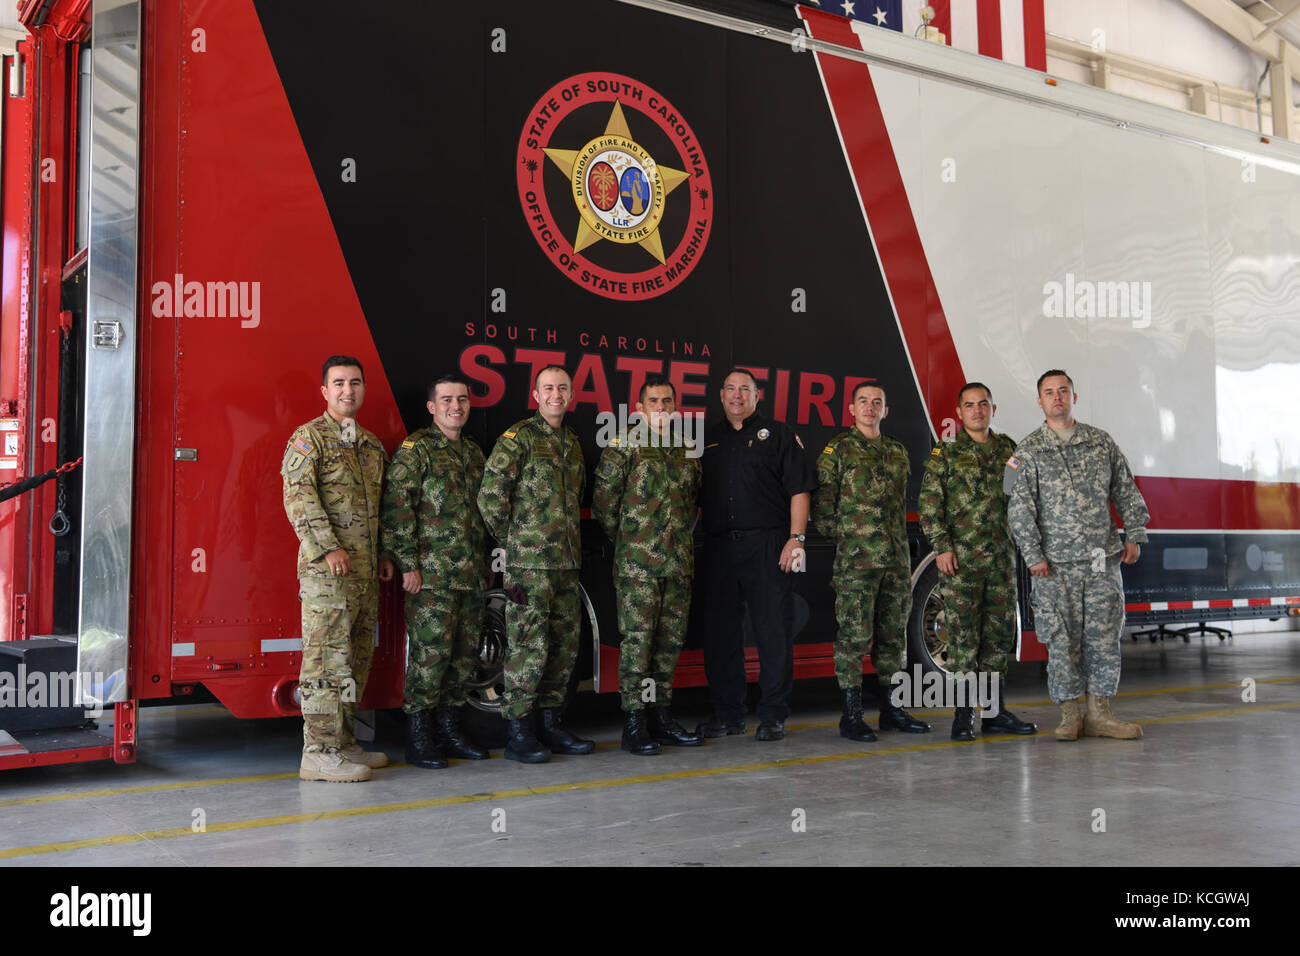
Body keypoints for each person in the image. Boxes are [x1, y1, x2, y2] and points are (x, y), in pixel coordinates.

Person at [1006, 369, 1150, 741]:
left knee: (1103, 637)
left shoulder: (1100, 443)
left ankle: (1100, 714)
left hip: (1102, 561)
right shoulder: (1027, 452)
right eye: (1049, 392)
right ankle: (1070, 716)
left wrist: (1134, 531)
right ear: (1039, 401)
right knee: (1061, 641)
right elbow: (1019, 509)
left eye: (1063, 391)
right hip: (1054, 567)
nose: (1057, 397)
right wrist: (1033, 554)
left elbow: (1125, 488)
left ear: (1074, 396)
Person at [282, 355, 393, 782]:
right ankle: (318, 752)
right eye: (339, 383)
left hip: (363, 576)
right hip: (327, 576)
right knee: (326, 662)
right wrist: (327, 549)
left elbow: (377, 511)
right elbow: (298, 497)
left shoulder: (369, 446)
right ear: (325, 392)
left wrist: (382, 555)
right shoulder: (309, 439)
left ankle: (343, 742)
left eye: (355, 383)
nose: (348, 390)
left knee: (354, 661)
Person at [477, 365, 592, 763]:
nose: (556, 394)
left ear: (571, 394)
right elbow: (491, 496)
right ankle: (520, 732)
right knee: (528, 646)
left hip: (565, 564)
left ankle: (551, 724)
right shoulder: (519, 438)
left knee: (563, 647)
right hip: (528, 567)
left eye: (562, 388)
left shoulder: (572, 442)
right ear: (536, 395)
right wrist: (514, 543)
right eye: (548, 388)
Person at [698, 368, 817, 742]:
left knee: (772, 631)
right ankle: (728, 715)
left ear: (757, 395)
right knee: (721, 635)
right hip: (718, 546)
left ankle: (772, 716)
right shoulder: (707, 440)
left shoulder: (779, 434)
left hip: (767, 544)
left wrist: (796, 539)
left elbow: (800, 489)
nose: (737, 395)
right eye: (730, 389)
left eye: (744, 389)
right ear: (721, 395)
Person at [380, 374, 491, 769]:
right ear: (432, 407)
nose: (455, 406)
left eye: (461, 399)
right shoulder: (417, 450)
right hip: (432, 578)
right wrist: (408, 564)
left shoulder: (475, 453)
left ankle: (451, 732)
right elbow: (396, 509)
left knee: (463, 659)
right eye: (446, 400)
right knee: (430, 659)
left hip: (471, 576)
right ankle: (420, 739)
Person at [592, 375, 704, 755]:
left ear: (676, 407)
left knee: (669, 644)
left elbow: (692, 502)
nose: (661, 407)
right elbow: (605, 506)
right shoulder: (623, 445)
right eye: (653, 401)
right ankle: (635, 722)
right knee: (638, 644)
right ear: (640, 408)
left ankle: (661, 716)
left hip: (678, 565)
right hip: (638, 566)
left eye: (667, 401)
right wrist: (632, 542)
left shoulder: (687, 447)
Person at [918, 382, 1036, 741]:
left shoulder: (1008, 451)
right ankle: (964, 716)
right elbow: (929, 504)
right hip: (962, 564)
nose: (977, 410)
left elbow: (1019, 499)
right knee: (964, 639)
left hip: (1000, 560)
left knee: (998, 639)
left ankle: (995, 714)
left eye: (983, 404)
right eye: (969, 405)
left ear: (993, 409)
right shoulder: (946, 454)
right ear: (959, 412)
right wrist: (941, 547)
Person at [813, 380, 930, 740]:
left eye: (876, 402)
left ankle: (892, 711)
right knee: (854, 638)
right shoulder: (839, 450)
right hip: (857, 564)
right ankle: (851, 715)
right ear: (851, 409)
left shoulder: (896, 451)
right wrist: (850, 540)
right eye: (863, 401)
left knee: (893, 637)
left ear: (885, 410)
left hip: (895, 561)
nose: (869, 407)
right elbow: (823, 507)